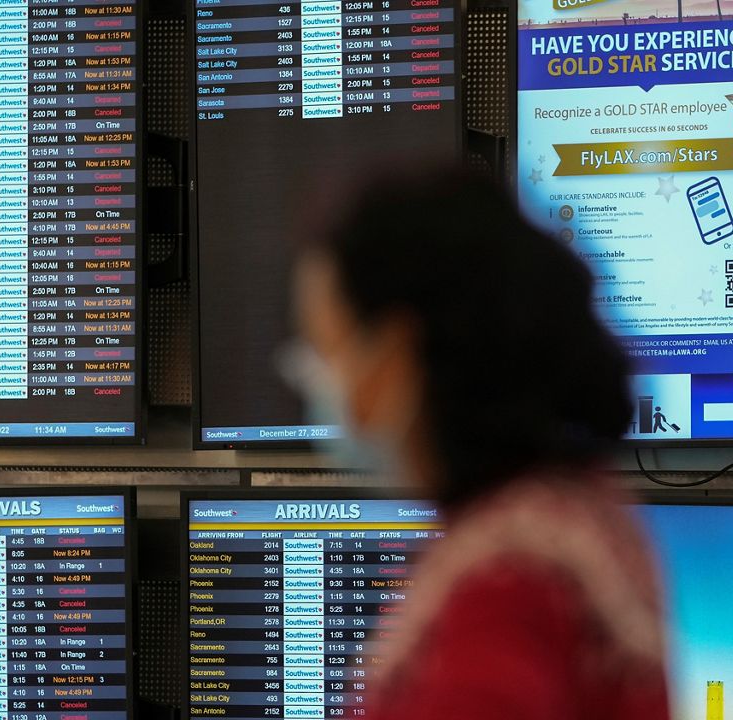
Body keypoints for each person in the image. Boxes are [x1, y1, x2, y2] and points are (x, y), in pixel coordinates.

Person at [288, 164, 672, 719]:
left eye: (326, 352)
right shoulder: (566, 522)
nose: (318, 384)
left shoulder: (507, 582)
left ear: (395, 355)